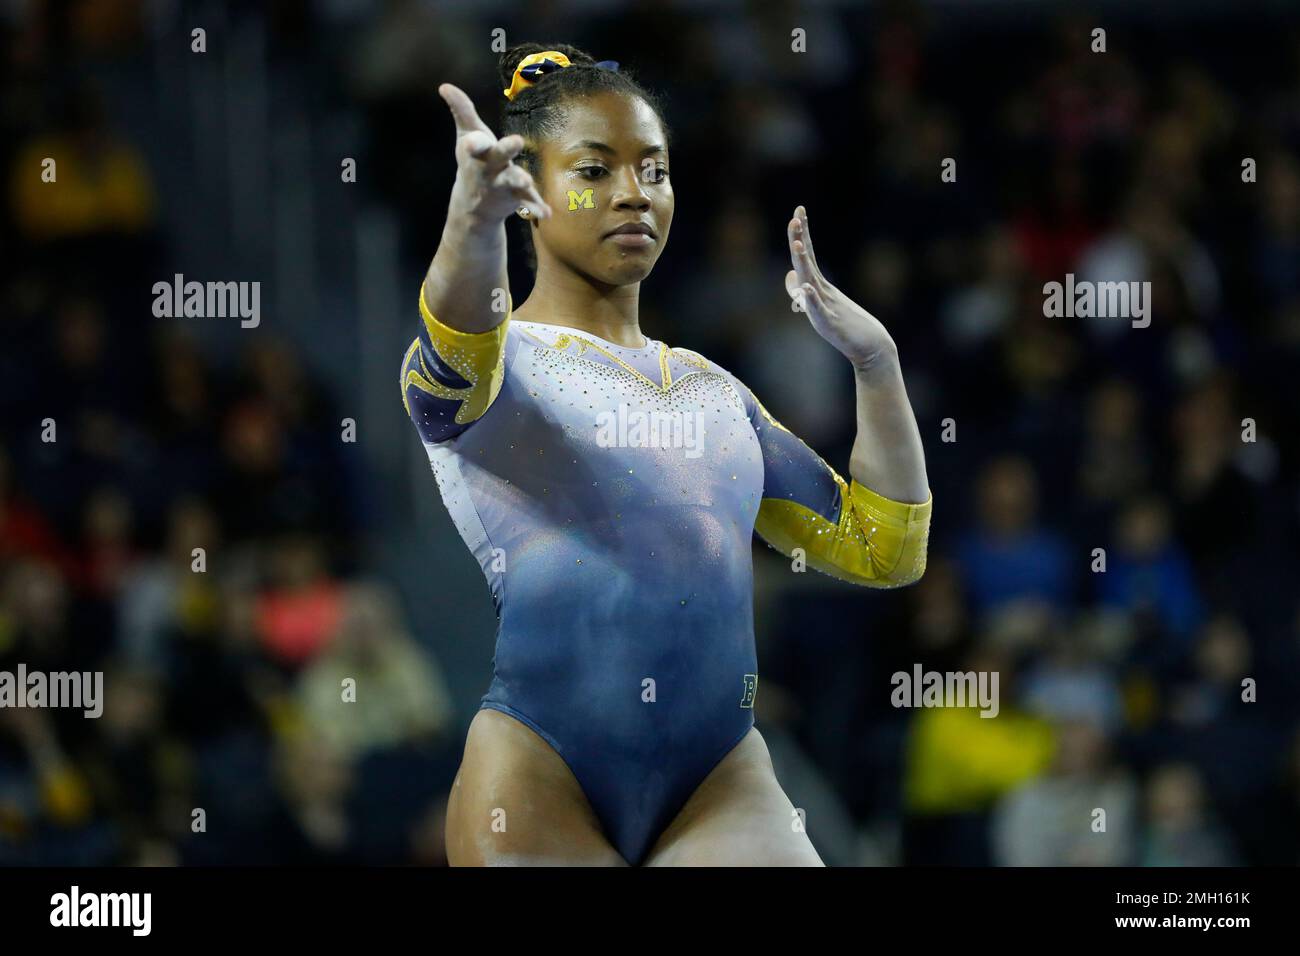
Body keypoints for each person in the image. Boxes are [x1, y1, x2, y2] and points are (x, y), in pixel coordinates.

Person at [400, 44, 932, 866]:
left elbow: (883, 549)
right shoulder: (500, 367)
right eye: (595, 167)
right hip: (541, 771)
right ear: (528, 188)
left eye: (654, 169)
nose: (632, 193)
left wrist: (877, 366)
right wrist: (471, 226)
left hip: (720, 778)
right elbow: (455, 342)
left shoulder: (717, 394)